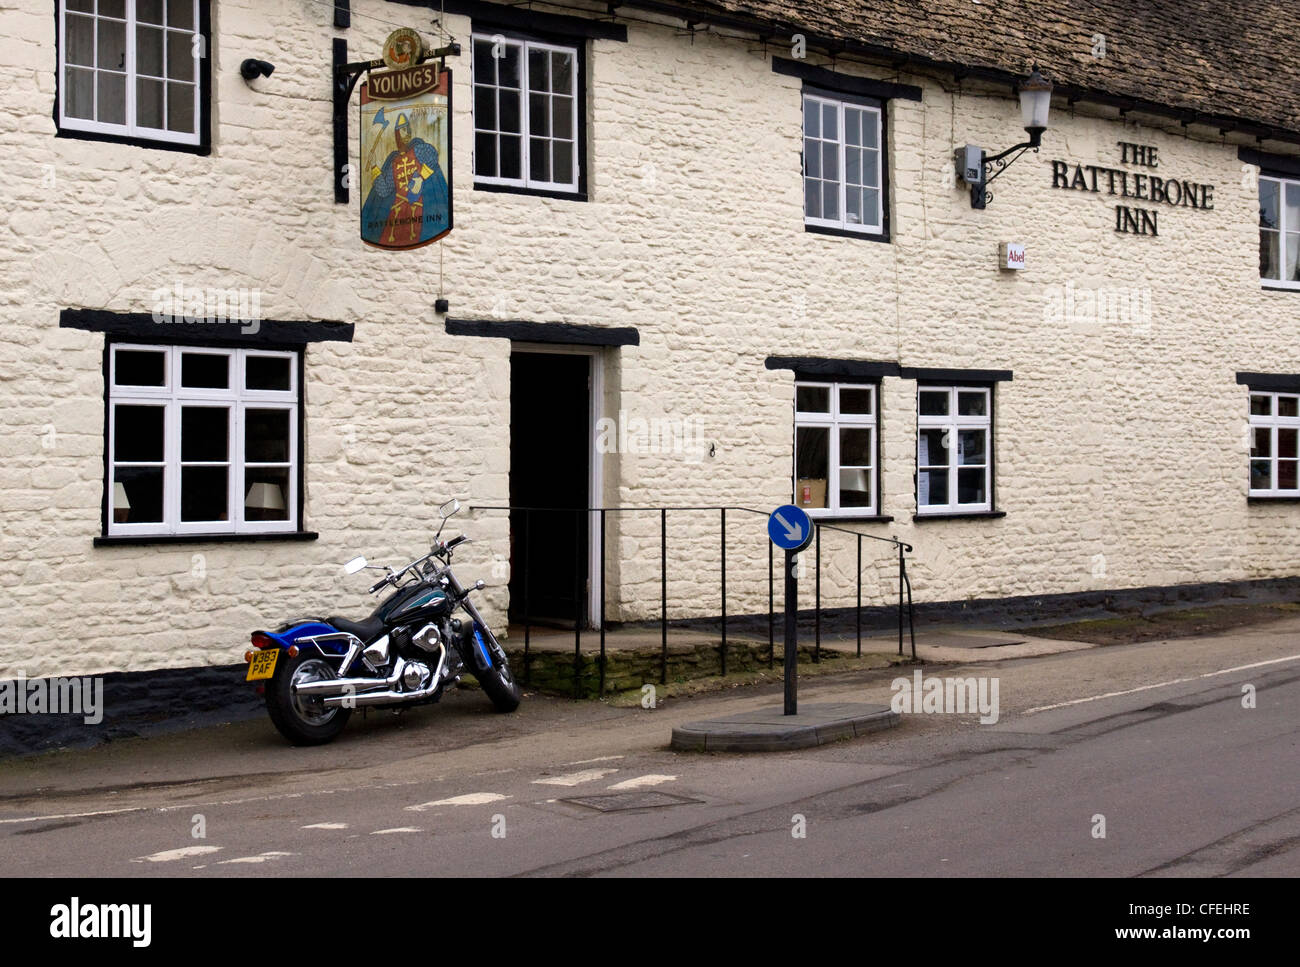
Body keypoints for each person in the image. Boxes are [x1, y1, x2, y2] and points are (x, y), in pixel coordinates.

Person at [361, 112, 449, 247]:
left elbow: (432, 156)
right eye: (403, 129)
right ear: (397, 133)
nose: (407, 132)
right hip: (397, 214)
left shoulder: (418, 149)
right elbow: (384, 190)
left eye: (408, 128)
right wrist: (374, 167)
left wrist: (420, 178)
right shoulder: (394, 162)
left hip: (418, 209)